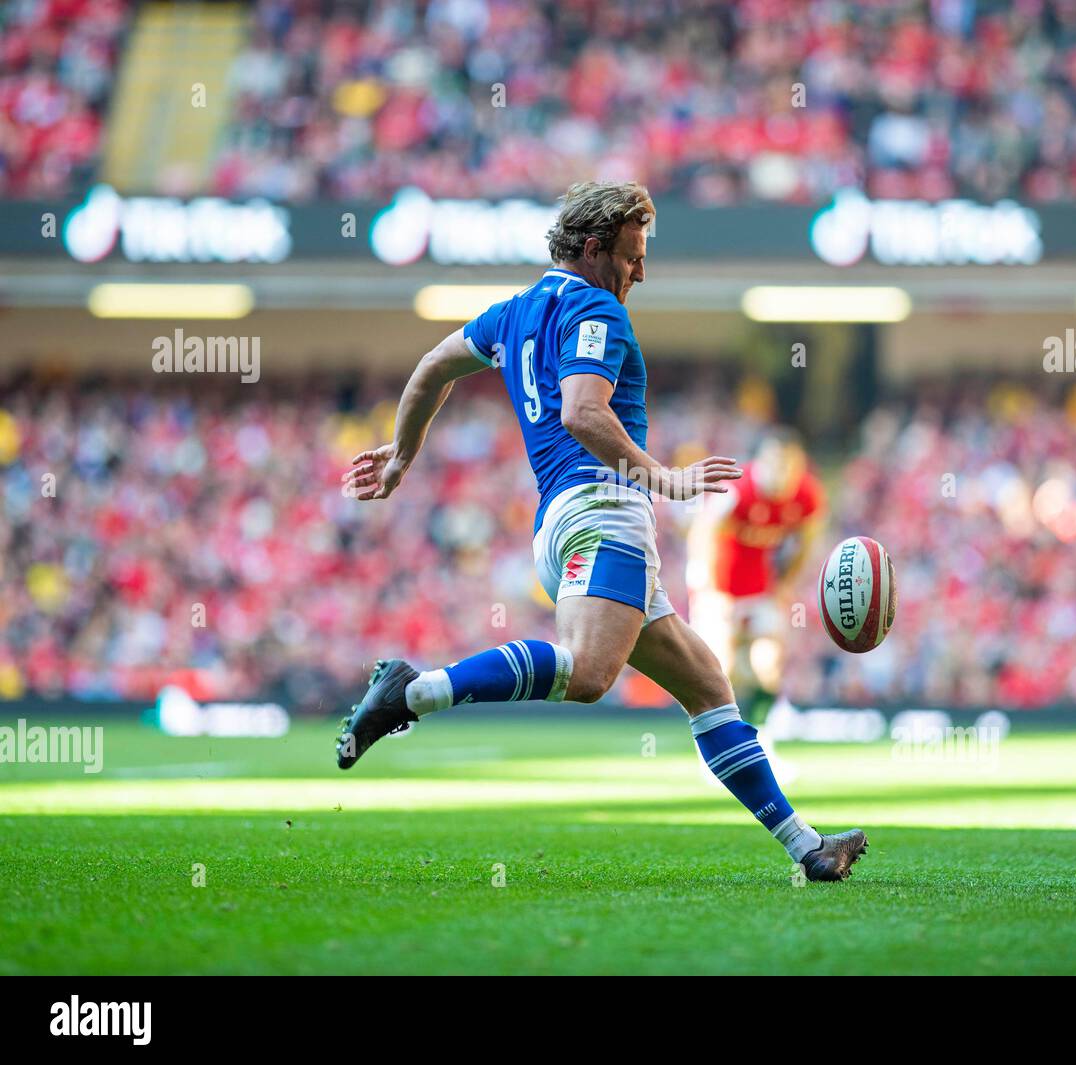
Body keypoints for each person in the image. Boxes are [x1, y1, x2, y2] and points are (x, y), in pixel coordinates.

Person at [336, 181, 866, 880]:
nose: (640, 271)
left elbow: (435, 367)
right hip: (602, 510)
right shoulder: (595, 307)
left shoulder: (514, 312)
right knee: (588, 673)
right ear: (593, 249)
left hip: (568, 516)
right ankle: (412, 691)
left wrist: (403, 453)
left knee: (709, 685)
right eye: (632, 254)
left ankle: (807, 846)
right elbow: (585, 413)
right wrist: (663, 477)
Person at [687, 428, 826, 775]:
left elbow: (807, 541)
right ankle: (715, 757)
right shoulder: (738, 489)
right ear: (762, 462)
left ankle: (763, 745)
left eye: (790, 465)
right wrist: (703, 582)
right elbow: (704, 529)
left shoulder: (806, 494)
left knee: (768, 666)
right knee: (722, 671)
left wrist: (786, 585)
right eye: (777, 464)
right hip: (720, 590)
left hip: (761, 591)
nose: (783, 473)